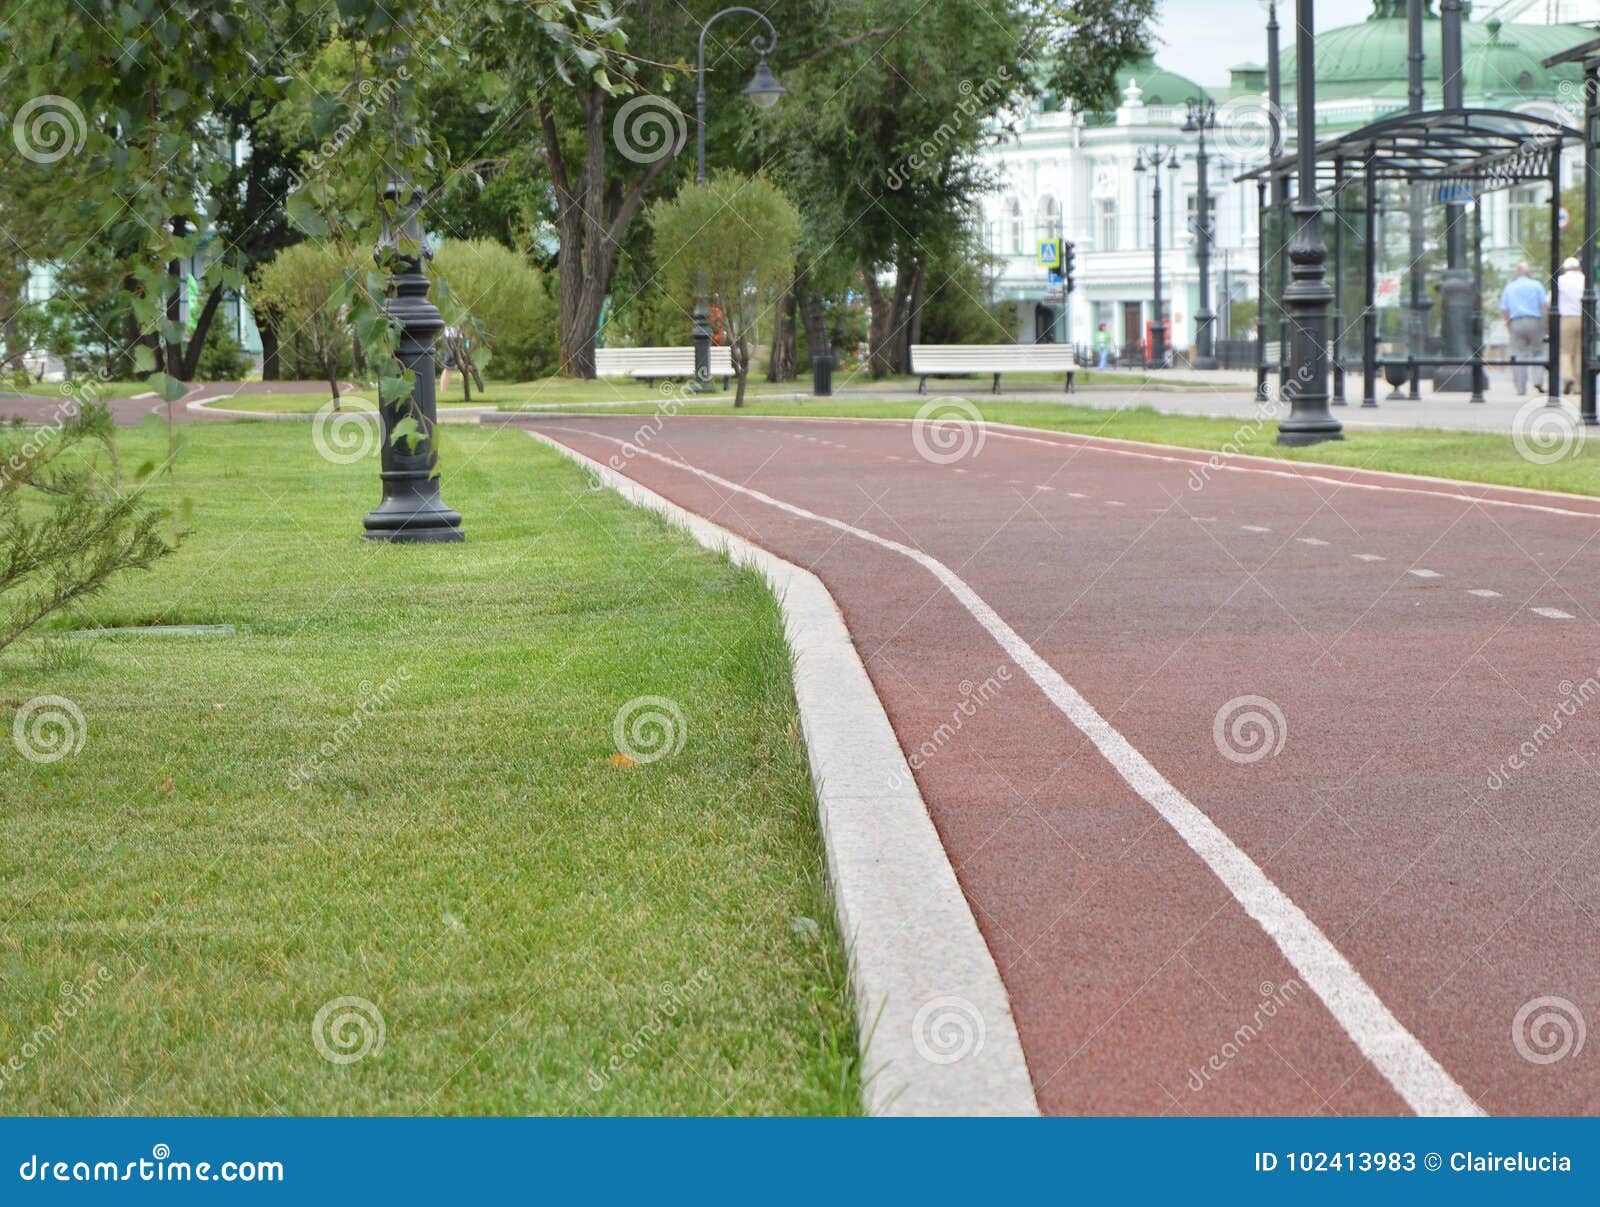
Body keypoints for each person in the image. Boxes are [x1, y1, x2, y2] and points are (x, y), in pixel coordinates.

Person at [1500, 262, 1549, 396]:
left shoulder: (1510, 287)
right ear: (1529, 273)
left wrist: (1509, 325)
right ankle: (1538, 380)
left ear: (1517, 273)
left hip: (1516, 322)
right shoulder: (1537, 285)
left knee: (1519, 354)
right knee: (1538, 352)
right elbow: (1544, 306)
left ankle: (1520, 388)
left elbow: (1504, 309)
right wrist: (1546, 325)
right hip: (1535, 321)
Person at [1557, 255, 1584, 395]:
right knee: (1580, 352)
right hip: (1584, 318)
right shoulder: (1584, 279)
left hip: (1566, 318)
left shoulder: (1560, 280)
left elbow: (1551, 301)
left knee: (1566, 351)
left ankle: (1568, 377)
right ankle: (1578, 386)